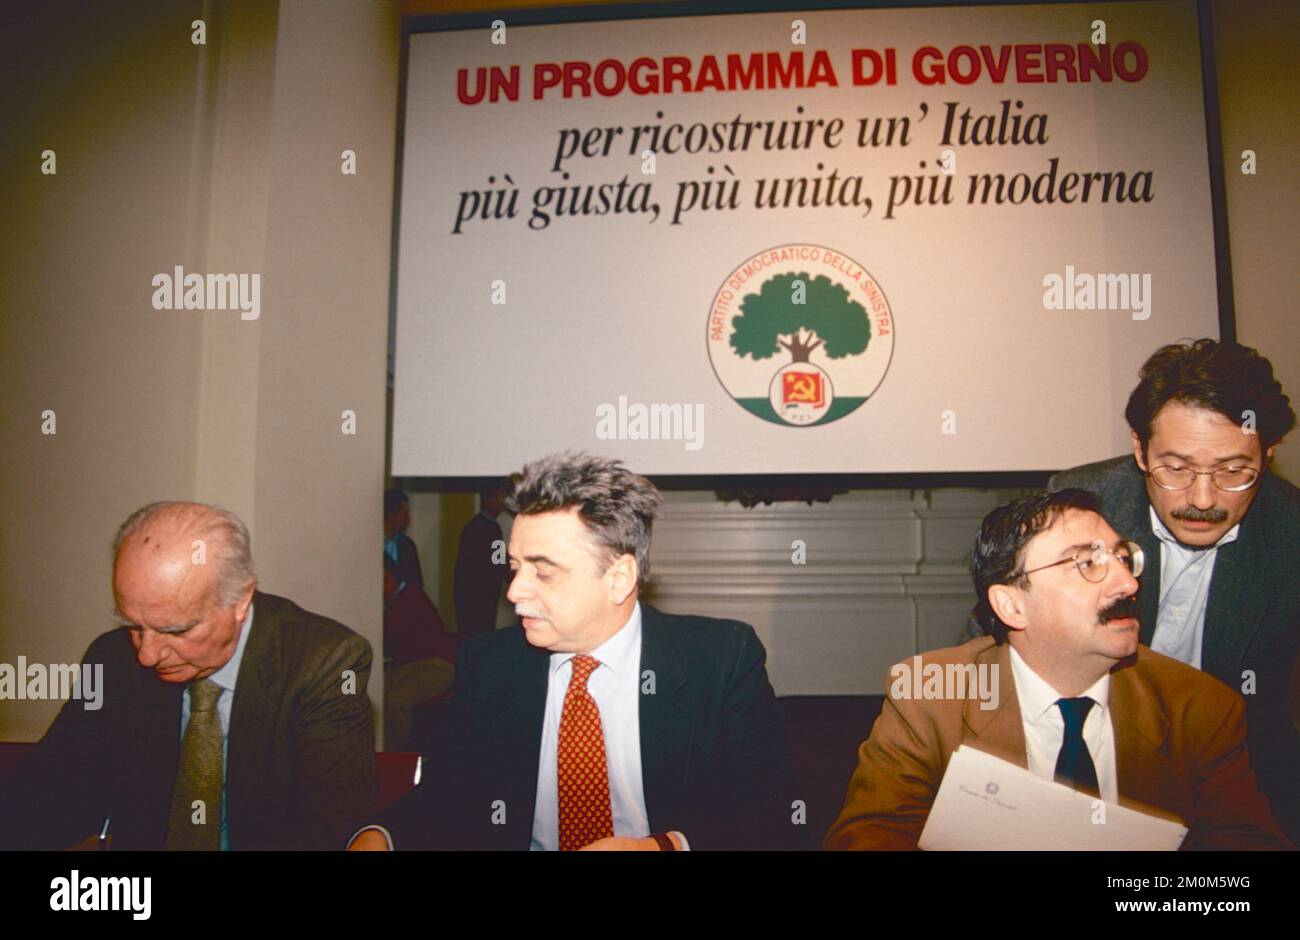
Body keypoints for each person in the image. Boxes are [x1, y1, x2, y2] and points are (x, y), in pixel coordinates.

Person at [350, 452, 796, 850]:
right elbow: (450, 795)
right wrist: (382, 836)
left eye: (544, 572)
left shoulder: (720, 661)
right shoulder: (487, 665)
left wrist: (666, 847)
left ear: (619, 578)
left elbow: (769, 816)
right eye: (514, 567)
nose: (515, 592)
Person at [825, 490, 1289, 850]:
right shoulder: (934, 695)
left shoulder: (1199, 707)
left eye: (1123, 558)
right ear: (1012, 604)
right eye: (1086, 562)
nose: (1127, 583)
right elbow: (866, 839)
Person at [0, 501, 377, 850]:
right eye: (133, 625)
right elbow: (48, 792)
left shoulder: (324, 663)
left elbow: (332, 830)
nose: (148, 655)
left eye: (176, 631)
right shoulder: (112, 659)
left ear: (240, 601)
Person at [1050, 339, 1300, 841]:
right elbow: (995, 652)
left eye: (1234, 470)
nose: (1202, 499)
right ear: (1140, 450)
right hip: (1088, 753)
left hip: (1235, 765)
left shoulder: (1292, 536)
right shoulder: (1077, 509)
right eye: (1176, 468)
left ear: (1268, 455)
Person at [453, 483, 508, 638]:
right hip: (474, 596)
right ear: (486, 500)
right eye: (497, 498)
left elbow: (499, 557)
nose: (501, 503)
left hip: (487, 594)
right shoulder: (475, 528)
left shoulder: (494, 528)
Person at [383, 489, 423, 595]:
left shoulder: (407, 545)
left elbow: (417, 584)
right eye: (404, 514)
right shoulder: (372, 546)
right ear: (391, 515)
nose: (408, 519)